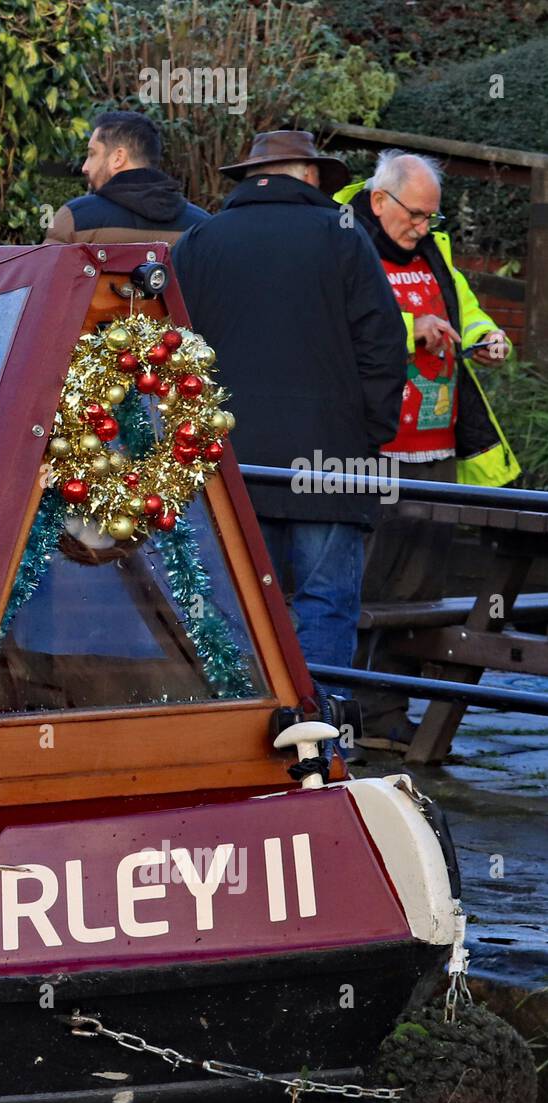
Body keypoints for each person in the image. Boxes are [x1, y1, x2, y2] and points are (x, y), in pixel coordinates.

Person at [171, 131, 407, 701]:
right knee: (324, 602)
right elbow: (384, 346)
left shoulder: (199, 240)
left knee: (240, 600)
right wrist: (367, 434)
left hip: (230, 460)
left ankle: (241, 732)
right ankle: (320, 744)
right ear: (308, 176)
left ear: (253, 178)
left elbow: (173, 350)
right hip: (330, 460)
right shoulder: (343, 238)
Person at [335, 151, 518, 750]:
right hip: (369, 446)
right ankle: (353, 708)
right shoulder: (345, 242)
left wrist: (488, 333)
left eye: (431, 219)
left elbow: (460, 301)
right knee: (365, 582)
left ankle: (390, 713)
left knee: (417, 588)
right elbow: (338, 318)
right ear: (380, 200)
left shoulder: (430, 251)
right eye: (416, 216)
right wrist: (407, 325)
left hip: (434, 447)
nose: (423, 228)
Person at [44, 110, 209, 245]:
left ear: (118, 158)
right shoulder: (202, 225)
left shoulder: (74, 218)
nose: (84, 167)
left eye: (92, 154)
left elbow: (47, 281)